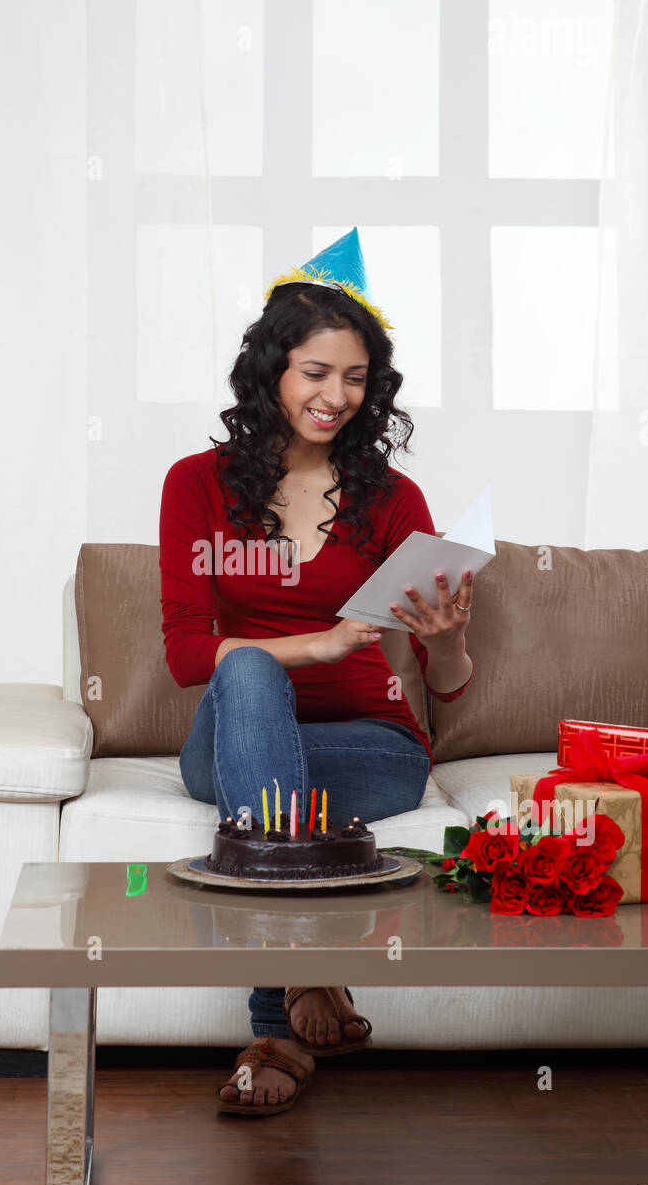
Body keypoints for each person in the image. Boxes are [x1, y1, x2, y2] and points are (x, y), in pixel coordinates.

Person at [159, 228, 474, 1116]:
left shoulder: (393, 500)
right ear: (270, 372)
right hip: (228, 741)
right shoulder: (196, 486)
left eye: (355, 378)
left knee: (267, 696)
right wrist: (323, 644)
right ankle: (300, 987)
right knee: (252, 673)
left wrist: (444, 638)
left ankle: (270, 1028)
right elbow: (189, 656)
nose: (335, 396)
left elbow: (446, 688)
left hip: (370, 751)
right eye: (314, 372)